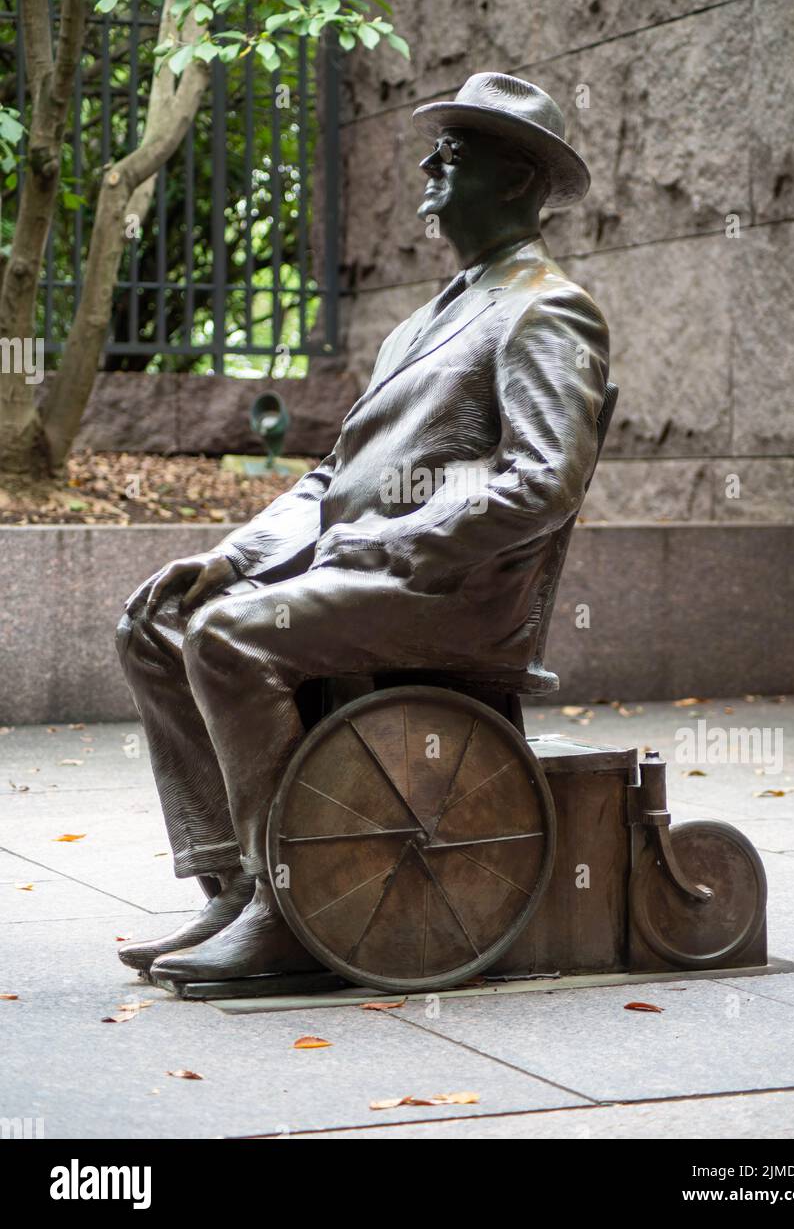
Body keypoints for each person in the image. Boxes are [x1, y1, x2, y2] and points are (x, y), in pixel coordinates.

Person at [116, 72, 609, 983]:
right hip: (363, 573)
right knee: (157, 622)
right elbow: (327, 478)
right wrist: (230, 556)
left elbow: (543, 481)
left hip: (450, 594)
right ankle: (228, 887)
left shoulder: (547, 309)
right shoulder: (424, 321)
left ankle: (289, 906)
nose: (426, 164)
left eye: (453, 154)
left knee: (226, 637)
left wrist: (396, 540)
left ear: (517, 181)